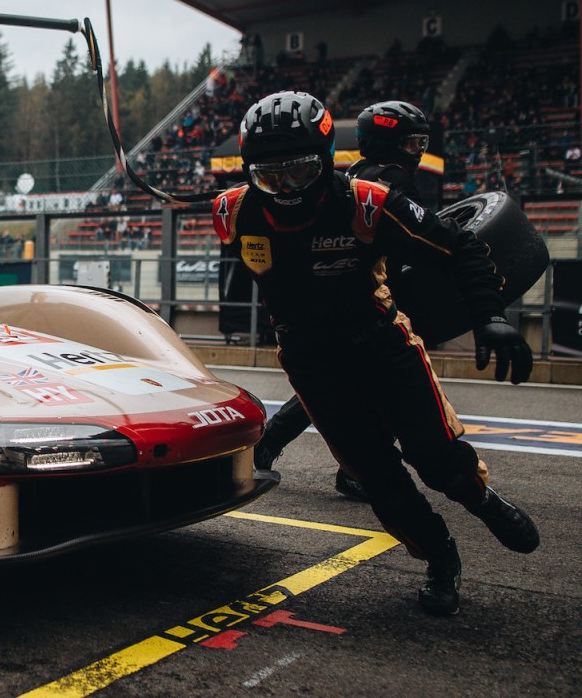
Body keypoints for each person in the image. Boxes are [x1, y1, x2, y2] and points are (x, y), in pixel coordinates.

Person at [214, 91, 538, 616]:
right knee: (379, 480)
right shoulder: (231, 211)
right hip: (312, 362)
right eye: (271, 176)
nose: (286, 189)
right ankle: (440, 559)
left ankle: (484, 501)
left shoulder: (369, 202)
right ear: (251, 171)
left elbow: (461, 248)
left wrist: (490, 316)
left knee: (437, 460)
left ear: (325, 161)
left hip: (384, 347)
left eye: (298, 173)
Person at [255, 100, 437, 501]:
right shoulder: (395, 180)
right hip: (377, 293)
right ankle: (353, 470)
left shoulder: (352, 174)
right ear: (389, 142)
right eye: (411, 142)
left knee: (337, 379)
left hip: (338, 290)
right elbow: (416, 242)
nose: (417, 150)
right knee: (381, 381)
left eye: (420, 141)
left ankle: (278, 445)